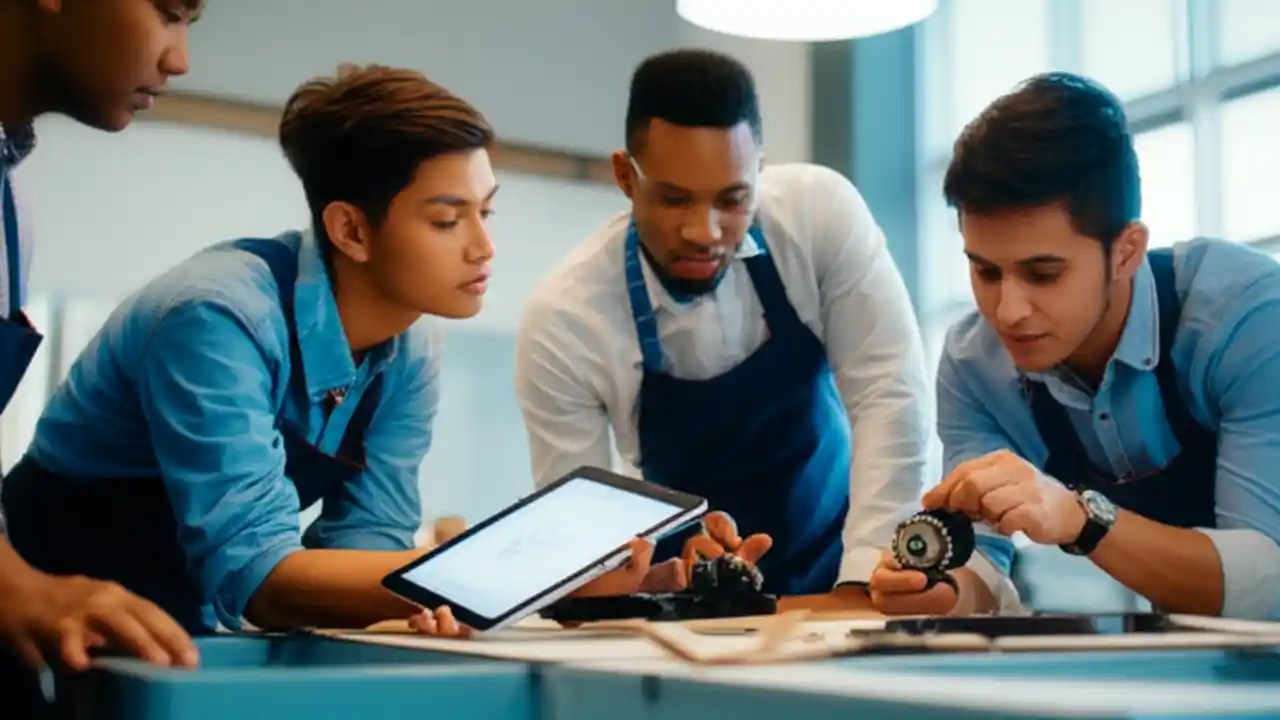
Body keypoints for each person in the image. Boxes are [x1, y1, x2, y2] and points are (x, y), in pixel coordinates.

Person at [3, 63, 666, 648]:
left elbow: (367, 538)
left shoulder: (412, 345)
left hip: (183, 624)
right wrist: (498, 573)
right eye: (446, 220)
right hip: (44, 612)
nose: (483, 247)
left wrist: (426, 597)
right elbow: (259, 576)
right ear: (350, 228)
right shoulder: (216, 318)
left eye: (485, 212)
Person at [514, 49, 1010, 612]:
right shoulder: (565, 318)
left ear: (760, 173)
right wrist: (663, 578)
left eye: (733, 199)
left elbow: (888, 394)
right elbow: (584, 538)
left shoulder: (819, 215)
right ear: (626, 177)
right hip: (687, 596)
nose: (704, 231)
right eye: (674, 198)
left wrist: (864, 579)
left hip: (846, 557)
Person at [877, 71, 1280, 620]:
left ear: (1126, 251)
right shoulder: (975, 367)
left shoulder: (1247, 317)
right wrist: (944, 592)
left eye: (1043, 274)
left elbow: (1268, 585)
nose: (1008, 311)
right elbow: (981, 563)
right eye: (986, 272)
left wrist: (1082, 518)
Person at [0, 0, 203, 710]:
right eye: (171, 13)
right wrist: (14, 585)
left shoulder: (12, 204)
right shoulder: (210, 310)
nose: (179, 59)